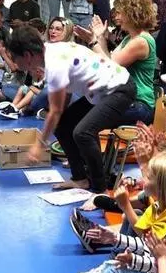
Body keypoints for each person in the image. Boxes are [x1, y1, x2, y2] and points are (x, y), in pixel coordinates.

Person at [8, 26, 136, 194]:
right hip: (100, 91)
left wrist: (39, 145)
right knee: (62, 125)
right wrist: (63, 118)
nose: (15, 64)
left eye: (15, 59)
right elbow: (63, 101)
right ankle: (80, 178)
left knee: (83, 132)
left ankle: (100, 189)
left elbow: (55, 110)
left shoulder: (54, 64)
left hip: (119, 89)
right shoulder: (51, 51)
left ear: (27, 56)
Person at [88, 0, 157, 124]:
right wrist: (101, 37)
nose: (116, 16)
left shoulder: (141, 41)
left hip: (140, 105)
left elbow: (110, 67)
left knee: (87, 117)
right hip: (129, 99)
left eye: (120, 12)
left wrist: (93, 42)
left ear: (132, 13)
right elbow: (108, 58)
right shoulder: (129, 38)